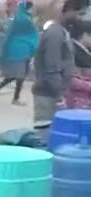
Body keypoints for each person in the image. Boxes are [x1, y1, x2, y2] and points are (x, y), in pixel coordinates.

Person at [34, 1, 82, 129]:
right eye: (75, 12)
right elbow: (52, 67)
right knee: (46, 133)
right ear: (65, 12)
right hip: (48, 94)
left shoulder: (61, 31)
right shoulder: (54, 34)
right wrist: (59, 94)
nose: (77, 16)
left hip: (53, 92)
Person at [0, 2, 40, 105]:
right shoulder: (25, 19)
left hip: (18, 50)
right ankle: (15, 98)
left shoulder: (19, 17)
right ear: (28, 8)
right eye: (31, 8)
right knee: (20, 75)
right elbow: (33, 33)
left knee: (17, 75)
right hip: (22, 50)